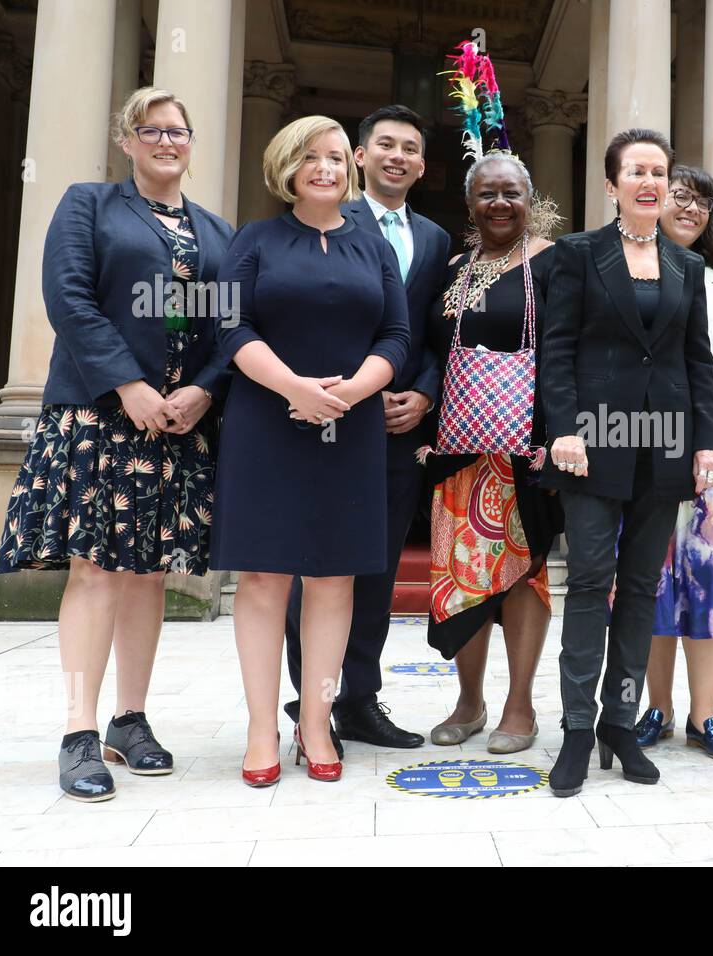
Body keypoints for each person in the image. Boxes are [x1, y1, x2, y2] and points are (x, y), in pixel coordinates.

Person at [0, 87, 233, 802]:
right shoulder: (87, 205)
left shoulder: (218, 231)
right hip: (100, 416)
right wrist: (128, 385)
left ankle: (130, 720)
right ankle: (78, 729)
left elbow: (229, 327)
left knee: (150, 574)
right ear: (127, 141)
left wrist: (206, 390)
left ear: (192, 143)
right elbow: (69, 297)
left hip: (178, 426)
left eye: (178, 131)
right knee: (94, 571)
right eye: (150, 130)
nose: (166, 141)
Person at [212, 116, 409, 786]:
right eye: (310, 158)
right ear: (286, 165)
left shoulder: (373, 243)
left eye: (334, 157)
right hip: (265, 425)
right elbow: (229, 324)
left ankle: (317, 721)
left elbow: (397, 333)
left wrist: (351, 393)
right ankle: (261, 728)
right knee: (265, 578)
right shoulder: (256, 239)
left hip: (350, 431)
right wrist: (294, 387)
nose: (325, 169)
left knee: (334, 577)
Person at [541, 128, 713, 796]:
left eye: (659, 171)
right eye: (636, 170)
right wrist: (562, 428)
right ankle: (577, 730)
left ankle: (621, 721)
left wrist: (706, 440)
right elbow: (556, 351)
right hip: (592, 441)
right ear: (612, 183)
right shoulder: (578, 255)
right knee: (591, 583)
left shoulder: (687, 267)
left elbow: (695, 360)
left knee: (643, 589)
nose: (650, 181)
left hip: (666, 443)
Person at [281, 105, 449, 754]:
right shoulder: (323, 218)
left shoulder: (434, 240)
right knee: (317, 568)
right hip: (325, 421)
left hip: (398, 430)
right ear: (359, 155)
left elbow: (435, 335)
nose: (397, 155)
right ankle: (309, 705)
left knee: (375, 569)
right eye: (385, 144)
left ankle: (358, 700)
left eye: (410, 147)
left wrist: (425, 394)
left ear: (423, 165)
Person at [422, 151, 563, 754]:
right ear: (470, 203)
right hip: (458, 447)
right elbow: (431, 348)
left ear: (531, 201)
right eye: (486, 194)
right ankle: (469, 701)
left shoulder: (556, 264)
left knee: (523, 576)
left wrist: (558, 438)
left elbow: (566, 353)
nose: (499, 203)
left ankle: (520, 705)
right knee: (461, 578)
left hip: (525, 449)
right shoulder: (455, 267)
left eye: (511, 193)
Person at [637, 165, 713, 761]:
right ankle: (655, 708)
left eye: (701, 201)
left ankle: (705, 716)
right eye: (678, 197)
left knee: (711, 594)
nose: (689, 209)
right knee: (654, 589)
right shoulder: (630, 266)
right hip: (643, 455)